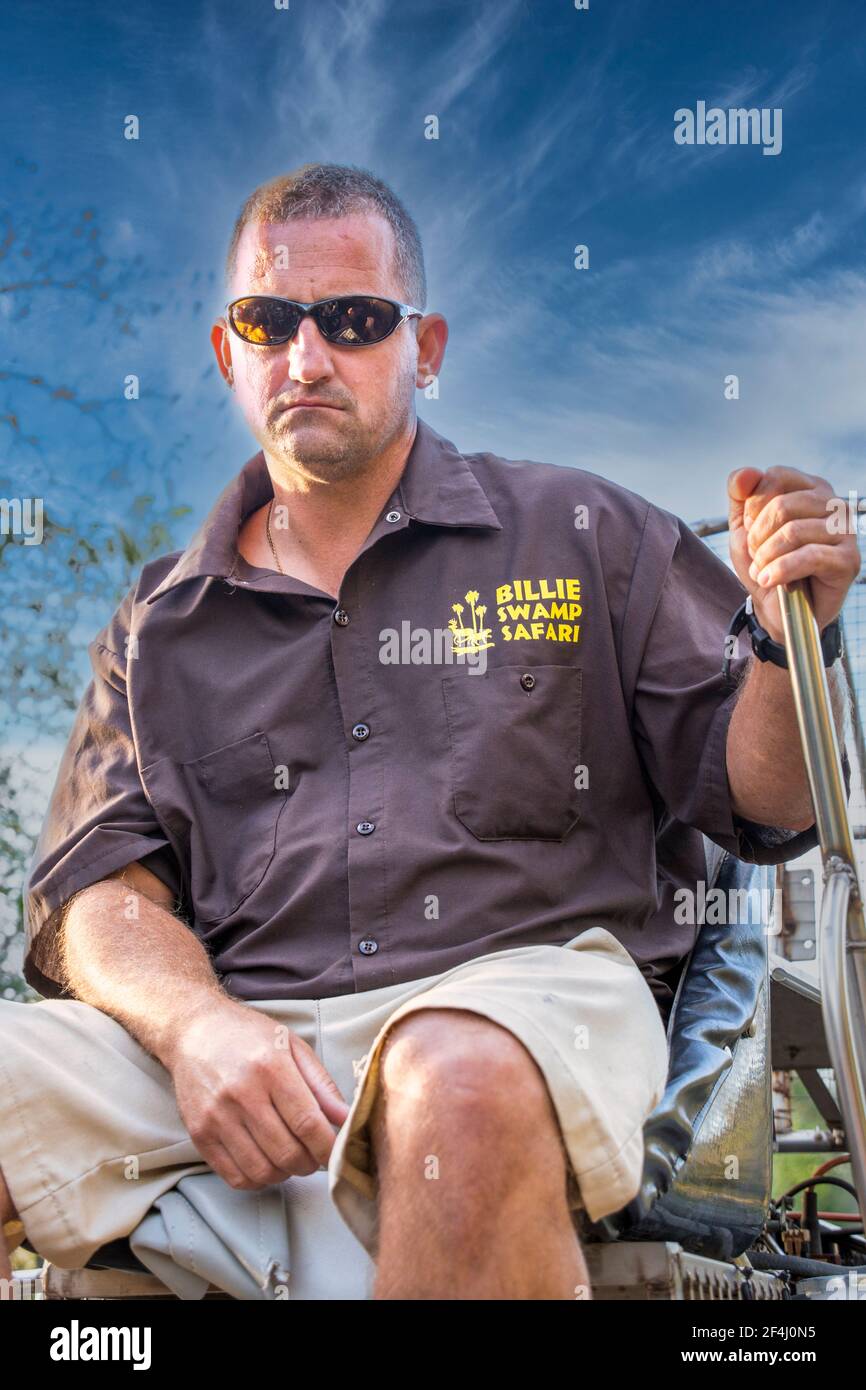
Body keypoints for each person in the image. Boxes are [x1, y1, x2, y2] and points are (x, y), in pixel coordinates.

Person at [1, 163, 859, 1300]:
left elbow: (765, 799)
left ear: (426, 346)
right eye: (269, 321)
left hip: (521, 1006)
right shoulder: (154, 625)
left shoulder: (584, 532)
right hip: (235, 1044)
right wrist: (198, 1026)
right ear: (228, 351)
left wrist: (777, 626)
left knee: (451, 1076)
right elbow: (100, 897)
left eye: (353, 320)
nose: (306, 358)